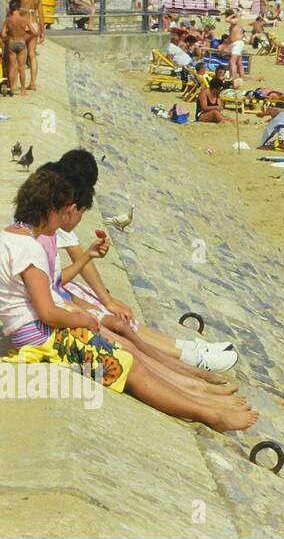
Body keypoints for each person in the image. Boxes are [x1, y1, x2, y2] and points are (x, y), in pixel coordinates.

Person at [1, 169, 257, 432]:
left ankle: (200, 396)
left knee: (127, 352)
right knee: (128, 367)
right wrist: (83, 319)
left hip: (31, 333)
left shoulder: (9, 237)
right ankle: (208, 413)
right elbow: (48, 312)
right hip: (42, 338)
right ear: (53, 210)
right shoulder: (29, 249)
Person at [2, 0, 31, 94]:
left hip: (11, 43)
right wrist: (26, 34)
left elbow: (2, 34)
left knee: (12, 66)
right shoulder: (24, 19)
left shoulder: (8, 20)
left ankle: (11, 88)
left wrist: (7, 36)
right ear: (19, 8)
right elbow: (34, 31)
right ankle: (23, 90)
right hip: (21, 43)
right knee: (21, 67)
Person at [226, 10, 246, 84]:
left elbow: (227, 20)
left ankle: (233, 78)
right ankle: (242, 78)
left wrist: (233, 15)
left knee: (232, 62)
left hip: (237, 43)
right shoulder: (233, 22)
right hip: (234, 44)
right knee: (239, 62)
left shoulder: (236, 20)